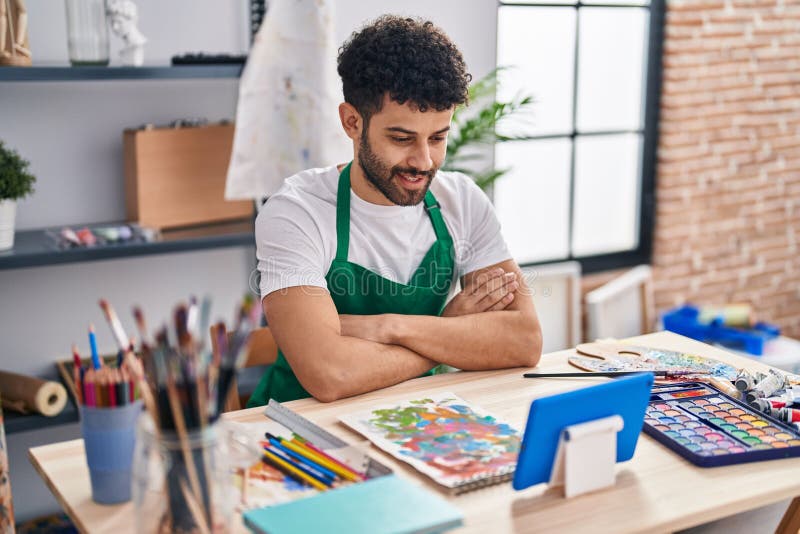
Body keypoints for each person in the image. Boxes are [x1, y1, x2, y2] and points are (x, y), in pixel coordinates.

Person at [247, 15, 542, 406]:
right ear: (352, 121)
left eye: (438, 138)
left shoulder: (462, 200)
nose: (423, 161)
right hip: (301, 431)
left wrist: (388, 327)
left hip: (418, 417)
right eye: (402, 138)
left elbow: (523, 340)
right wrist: (448, 330)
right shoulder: (296, 213)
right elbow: (329, 374)